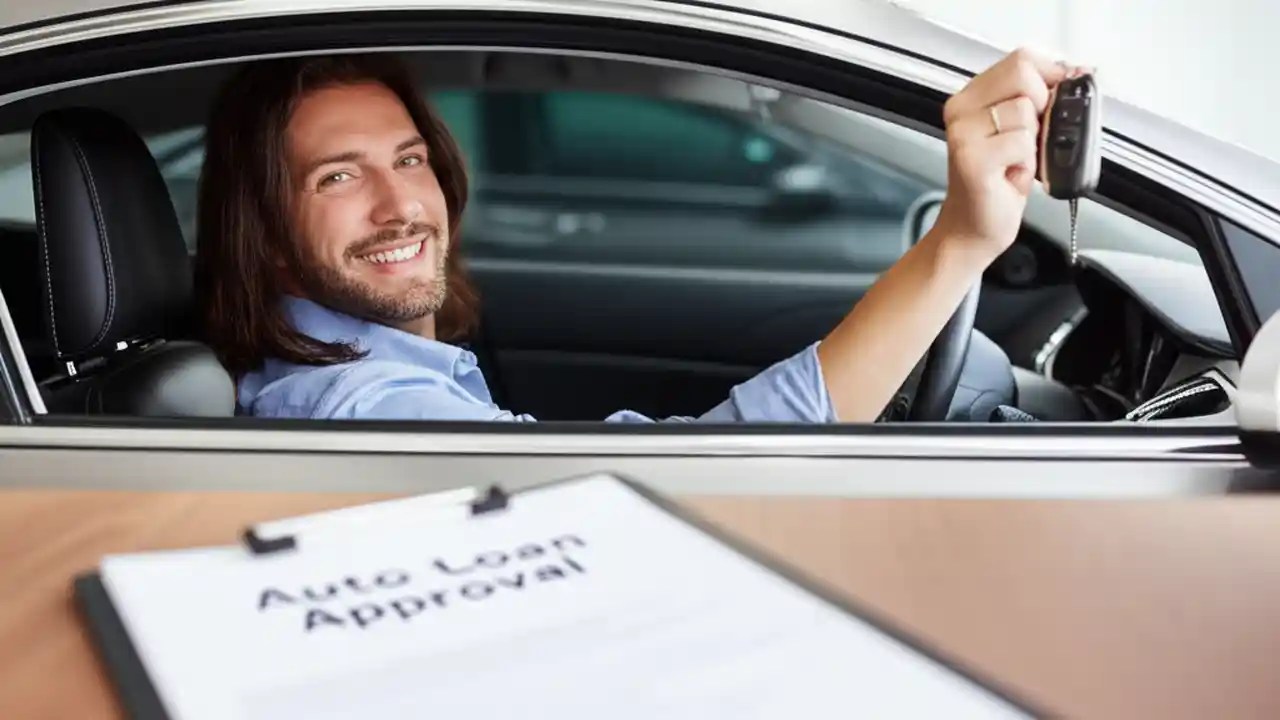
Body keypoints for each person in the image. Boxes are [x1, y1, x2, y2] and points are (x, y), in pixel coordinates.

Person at [195, 50, 1081, 423]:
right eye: (338, 177)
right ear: (265, 235)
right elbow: (699, 477)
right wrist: (958, 243)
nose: (401, 206)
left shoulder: (365, 368)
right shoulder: (369, 411)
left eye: (410, 158)